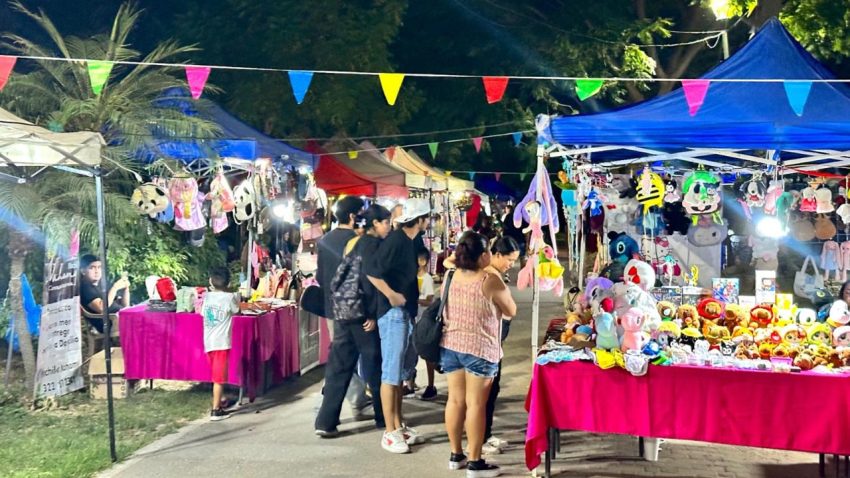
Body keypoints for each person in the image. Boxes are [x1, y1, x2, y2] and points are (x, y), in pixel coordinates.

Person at [441, 231, 516, 476]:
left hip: (451, 345)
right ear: (484, 255)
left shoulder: (450, 275)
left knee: (454, 400)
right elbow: (511, 309)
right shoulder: (489, 280)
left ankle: (456, 455)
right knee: (475, 405)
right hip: (479, 349)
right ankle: (475, 462)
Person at [315, 205, 391, 436]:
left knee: (339, 366)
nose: (388, 226)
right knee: (374, 365)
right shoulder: (371, 245)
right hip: (361, 316)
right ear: (375, 223)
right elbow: (369, 281)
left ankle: (325, 422)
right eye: (386, 222)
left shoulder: (352, 243)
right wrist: (372, 314)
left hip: (342, 311)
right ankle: (383, 417)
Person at [366, 198, 430, 454]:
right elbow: (371, 271)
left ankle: (399, 425)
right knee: (390, 374)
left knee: (400, 374)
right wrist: (391, 294)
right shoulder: (395, 240)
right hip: (392, 313)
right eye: (427, 217)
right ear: (421, 219)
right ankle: (389, 432)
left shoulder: (410, 240)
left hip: (405, 312)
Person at [315, 196, 371, 425]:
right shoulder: (358, 242)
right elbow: (365, 278)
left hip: (332, 307)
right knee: (368, 357)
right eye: (361, 213)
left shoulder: (324, 240)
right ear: (352, 216)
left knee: (340, 355)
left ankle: (330, 416)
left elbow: (319, 276)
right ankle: (377, 410)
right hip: (357, 309)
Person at [481, 237, 520, 455]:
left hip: (494, 340)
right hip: (487, 342)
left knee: (492, 391)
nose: (511, 265)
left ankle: (486, 434)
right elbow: (510, 309)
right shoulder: (490, 276)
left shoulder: (494, 274)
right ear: (496, 255)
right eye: (509, 260)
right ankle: (480, 439)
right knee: (486, 392)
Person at [201, 267, 240, 421]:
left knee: (215, 374)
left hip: (209, 341)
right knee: (219, 377)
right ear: (228, 282)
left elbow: (203, 313)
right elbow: (236, 311)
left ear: (210, 281)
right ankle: (216, 410)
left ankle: (221, 399)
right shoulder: (229, 298)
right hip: (222, 343)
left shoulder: (207, 297)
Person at [79, 254, 130, 333]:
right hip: (109, 322)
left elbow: (125, 305)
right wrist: (115, 288)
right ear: (83, 271)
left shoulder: (103, 284)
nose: (97, 271)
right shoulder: (85, 288)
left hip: (121, 317)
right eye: (92, 268)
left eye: (99, 267)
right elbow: (101, 308)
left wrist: (126, 288)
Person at [416, 249, 438, 401]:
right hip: (415, 318)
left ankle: (431, 385)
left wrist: (413, 300)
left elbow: (429, 300)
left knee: (427, 356)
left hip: (424, 320)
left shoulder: (427, 279)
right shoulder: (413, 277)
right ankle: (410, 382)